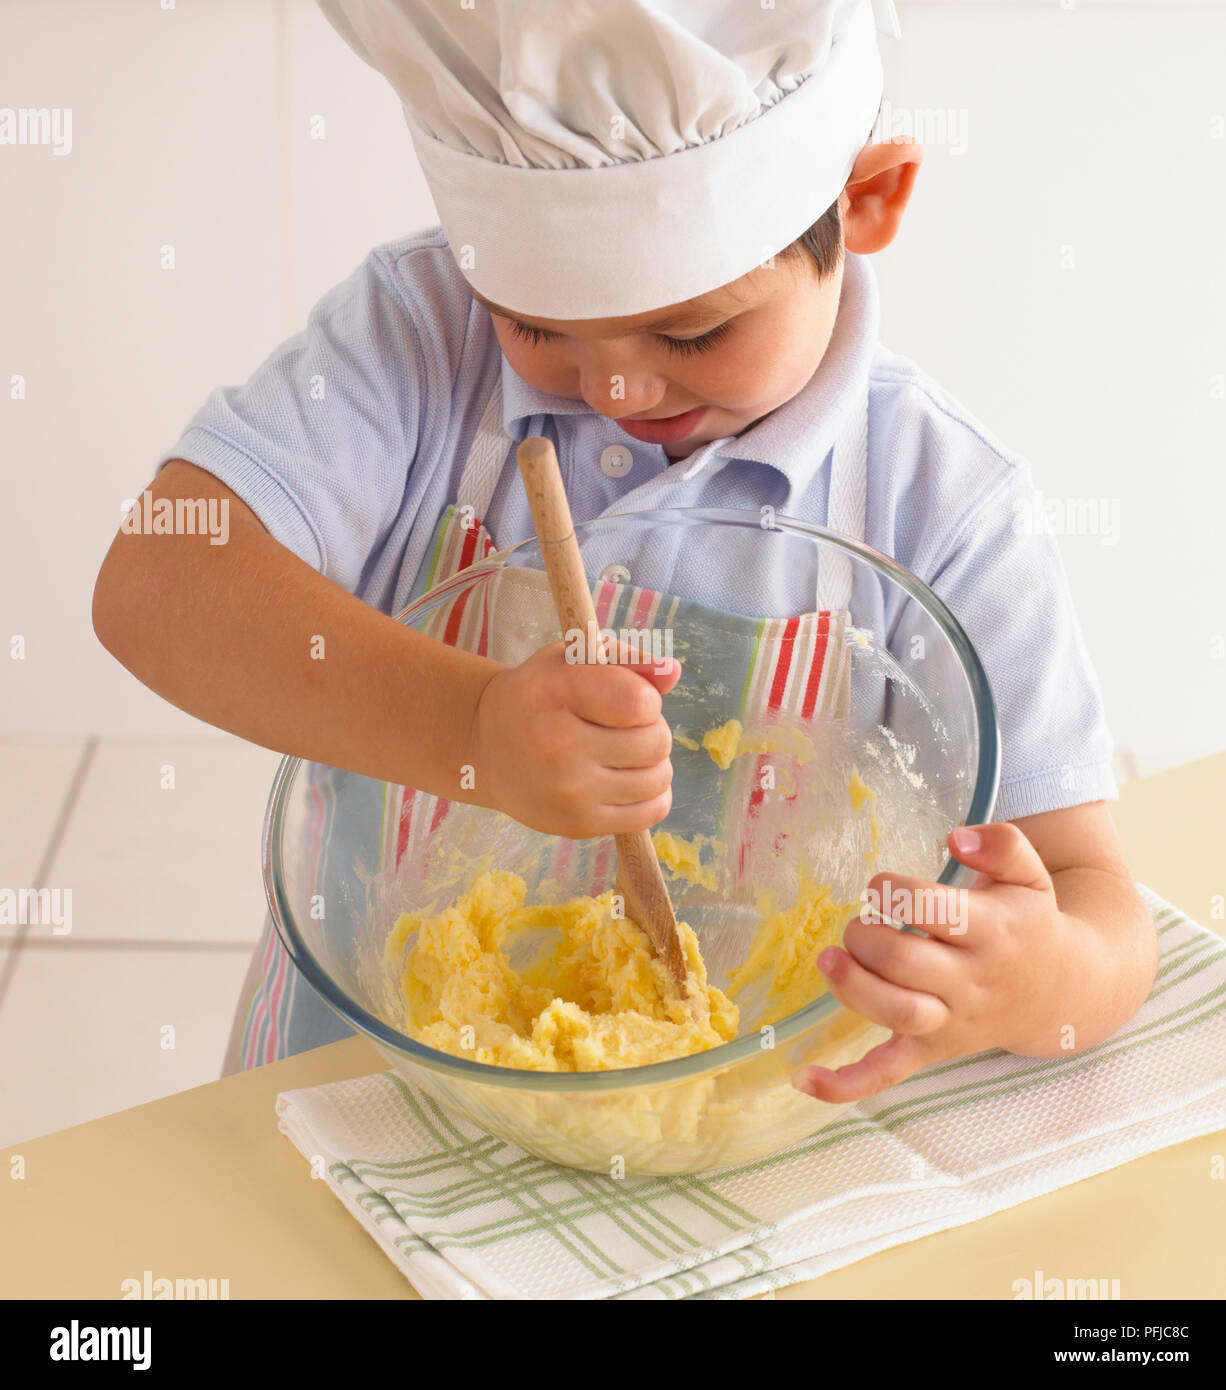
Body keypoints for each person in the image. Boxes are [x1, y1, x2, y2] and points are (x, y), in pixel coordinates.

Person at [91, 0, 1157, 1101]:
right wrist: (471, 730)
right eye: (537, 325)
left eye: (694, 332)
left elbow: (1102, 912)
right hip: (358, 1087)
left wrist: (1033, 980)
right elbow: (159, 584)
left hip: (736, 1122)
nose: (616, 389)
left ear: (867, 200)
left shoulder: (945, 505)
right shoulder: (421, 339)